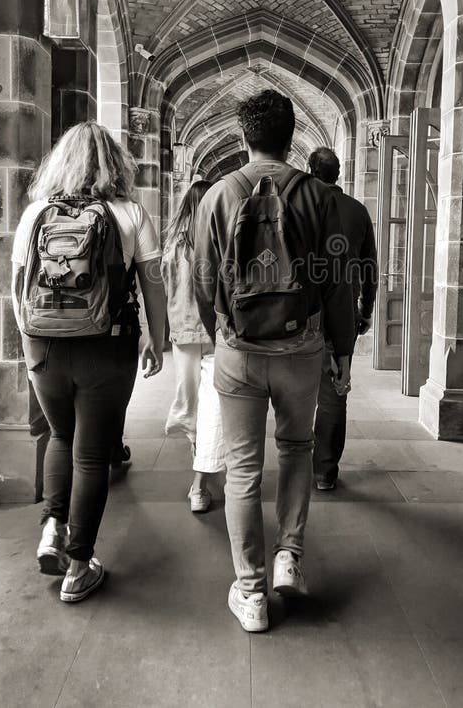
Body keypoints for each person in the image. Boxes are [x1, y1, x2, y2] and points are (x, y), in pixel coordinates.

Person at [194, 90, 356, 633]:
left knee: (242, 468)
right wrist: (343, 352)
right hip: (300, 351)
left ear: (243, 137)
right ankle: (289, 556)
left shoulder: (218, 195)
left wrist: (220, 325)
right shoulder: (320, 197)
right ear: (292, 139)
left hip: (238, 351)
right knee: (296, 450)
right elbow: (338, 283)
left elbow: (202, 275)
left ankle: (251, 593)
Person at [11, 122, 166, 603]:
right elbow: (153, 284)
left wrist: (28, 342)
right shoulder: (129, 213)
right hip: (108, 344)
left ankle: (52, 530)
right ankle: (79, 566)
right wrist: (157, 340)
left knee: (60, 435)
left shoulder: (35, 213)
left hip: (44, 346)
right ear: (116, 164)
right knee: (92, 453)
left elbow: (17, 285)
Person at [308, 147, 378, 491]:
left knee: (292, 391)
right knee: (334, 395)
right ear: (338, 174)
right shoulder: (357, 210)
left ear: (311, 171)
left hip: (300, 313)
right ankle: (324, 471)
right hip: (343, 312)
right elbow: (370, 268)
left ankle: (290, 464)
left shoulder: (299, 205)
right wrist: (364, 312)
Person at [162, 180, 225, 513]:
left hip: (184, 334)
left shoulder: (173, 246)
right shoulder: (220, 242)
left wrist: (154, 336)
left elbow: (165, 291)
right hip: (216, 334)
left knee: (191, 405)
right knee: (213, 408)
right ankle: (202, 474)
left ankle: (200, 474)